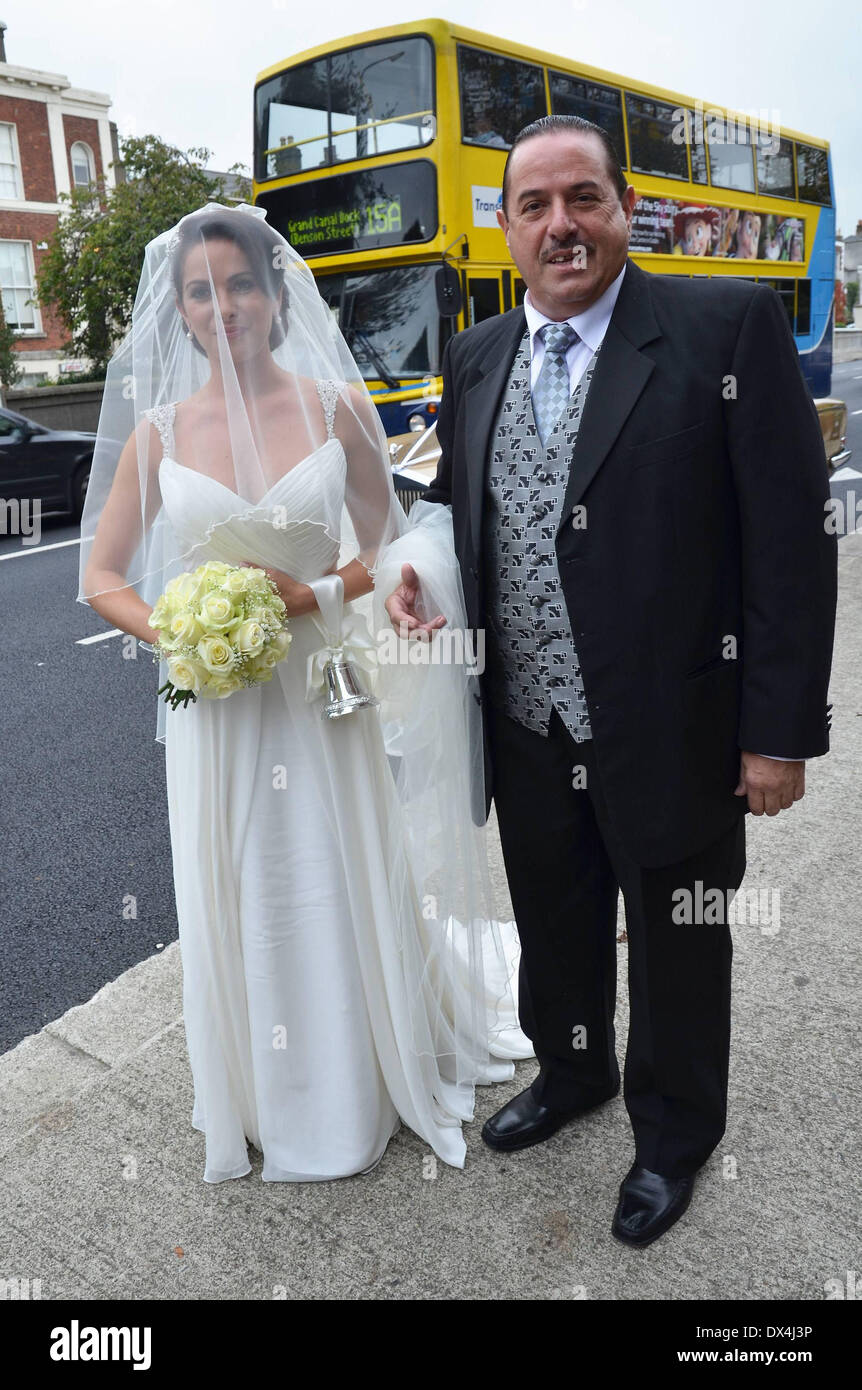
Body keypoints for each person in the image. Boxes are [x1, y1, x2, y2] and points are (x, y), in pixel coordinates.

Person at [385, 114, 836, 1246]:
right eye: (532, 206)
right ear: (504, 228)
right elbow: (461, 513)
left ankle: (673, 1135)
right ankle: (572, 1073)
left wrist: (775, 734)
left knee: (679, 935)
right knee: (556, 918)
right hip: (528, 717)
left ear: (625, 208)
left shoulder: (721, 330)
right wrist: (416, 571)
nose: (560, 225)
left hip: (675, 719)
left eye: (582, 198)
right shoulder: (479, 353)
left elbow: (788, 544)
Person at [77, 202, 532, 1184]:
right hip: (212, 703)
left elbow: (393, 538)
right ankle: (259, 1093)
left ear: (275, 294)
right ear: (182, 310)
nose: (222, 305)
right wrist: (185, 635)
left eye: (239, 283)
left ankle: (363, 1071)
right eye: (201, 291)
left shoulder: (330, 407)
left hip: (323, 678)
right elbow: (101, 578)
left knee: (334, 857)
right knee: (237, 871)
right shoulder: (158, 434)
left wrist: (320, 592)